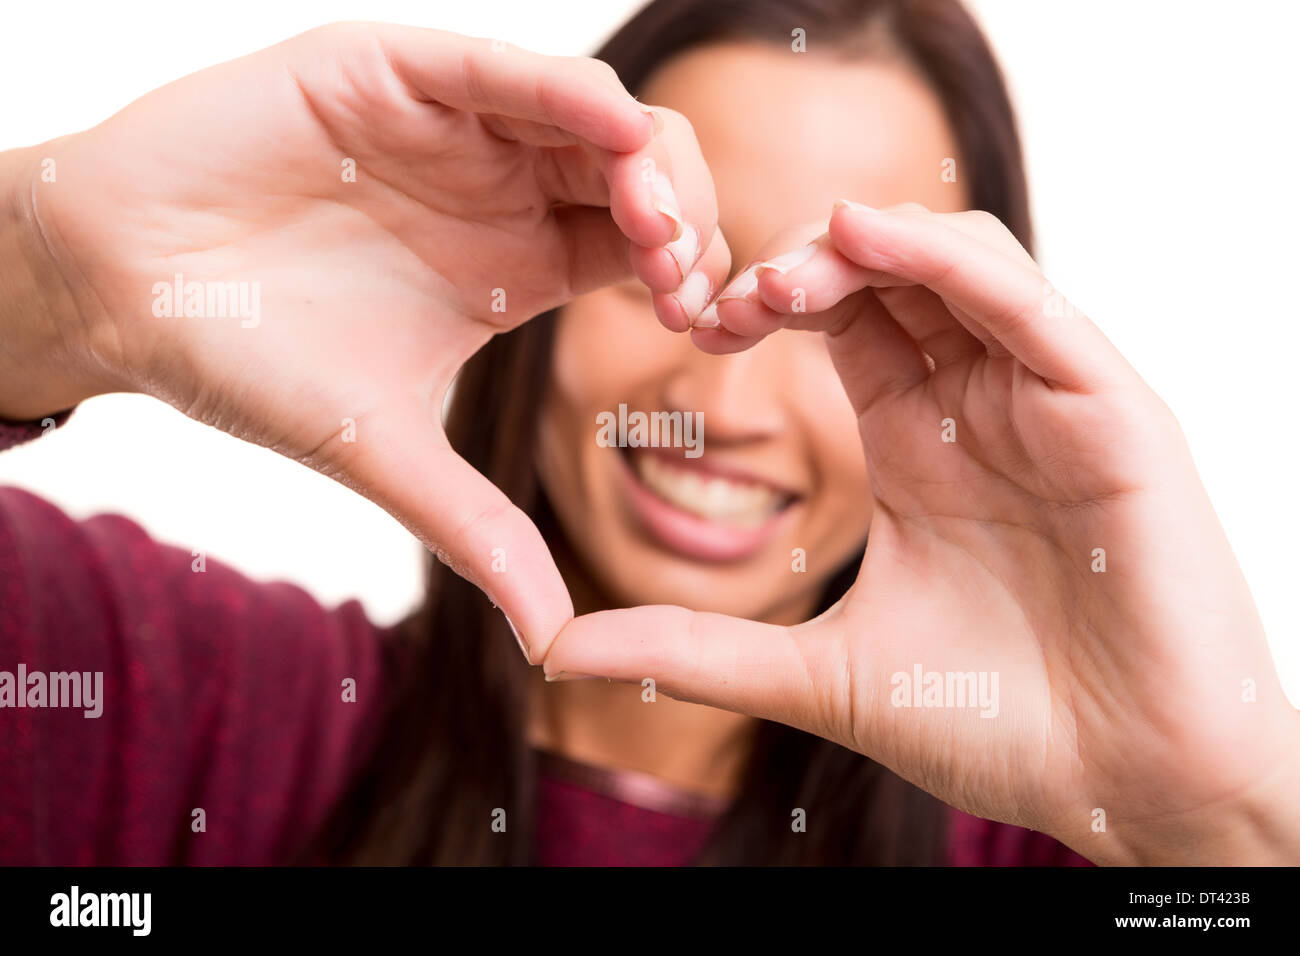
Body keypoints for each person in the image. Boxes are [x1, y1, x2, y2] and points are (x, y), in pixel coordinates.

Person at [1, 0, 1296, 866]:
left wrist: (1230, 814)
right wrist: (50, 276)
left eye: (858, 312)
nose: (724, 406)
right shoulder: (171, 702)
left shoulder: (1105, 840)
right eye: (675, 259)